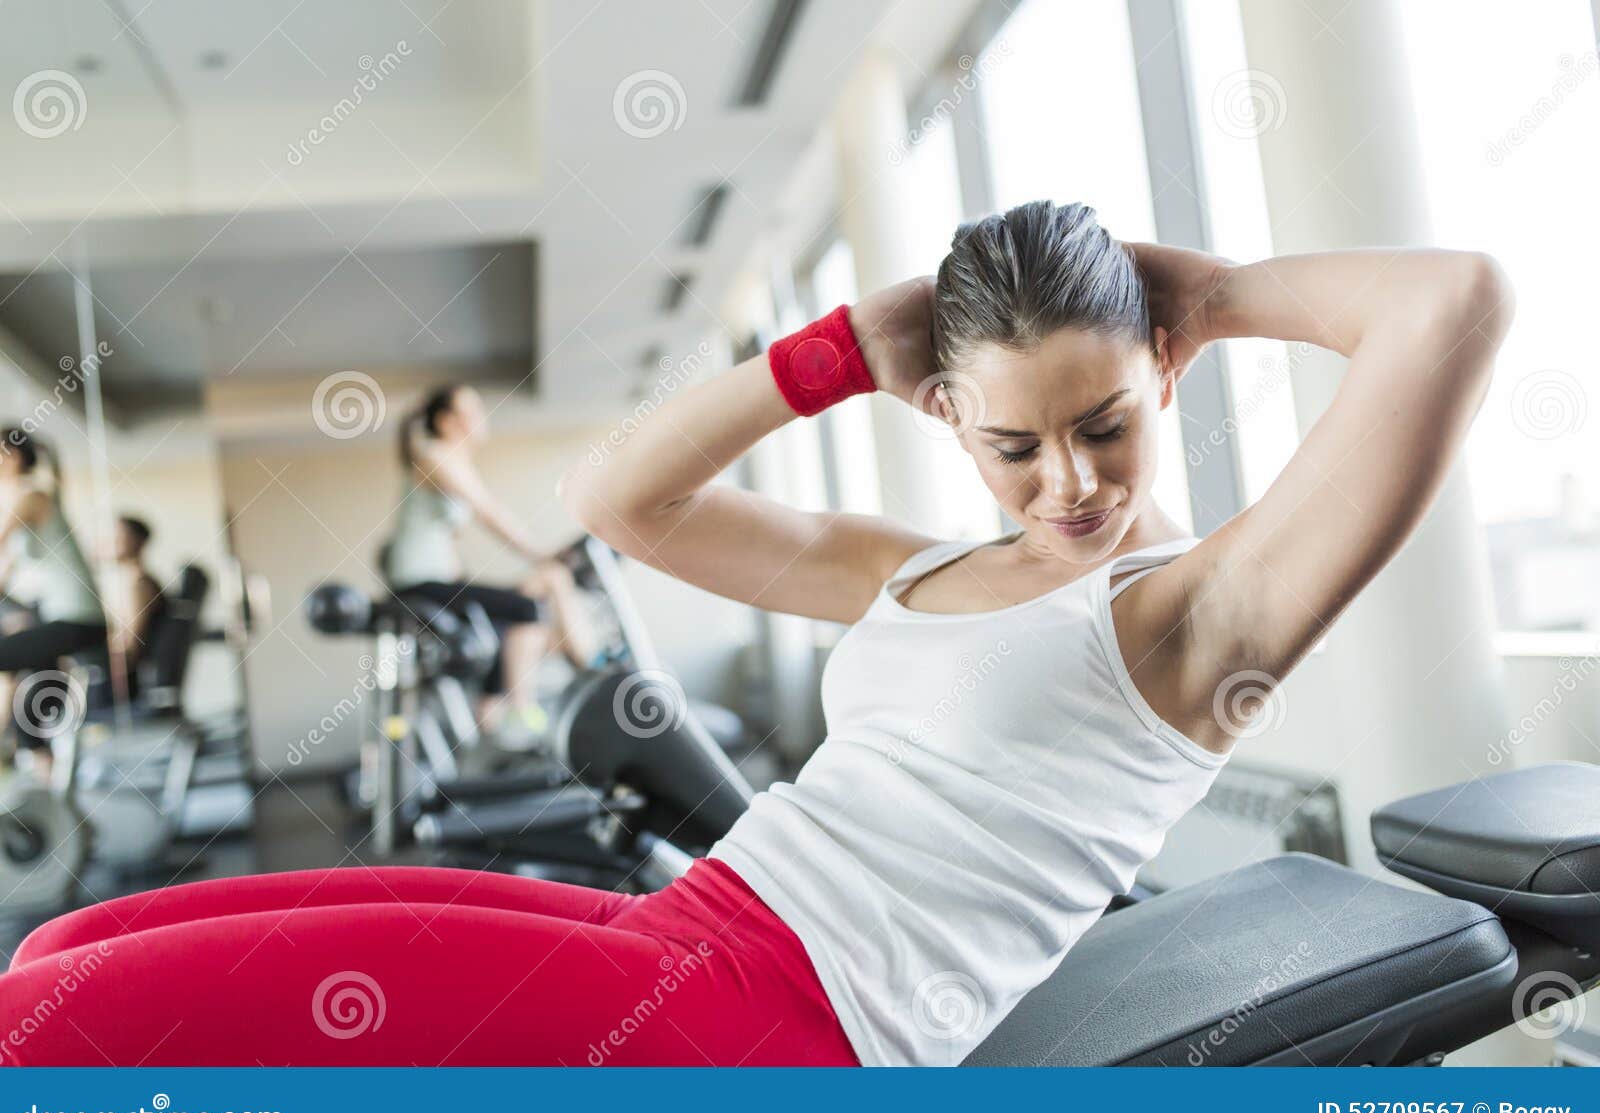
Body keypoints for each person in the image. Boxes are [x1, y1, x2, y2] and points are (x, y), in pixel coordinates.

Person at [0, 202, 1513, 1066]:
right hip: (693, 927)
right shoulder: (926, 570)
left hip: (795, 1022)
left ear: (1163, 374)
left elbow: (1450, 307)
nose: (1072, 484)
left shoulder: (1197, 618)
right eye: (1017, 446)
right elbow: (620, 498)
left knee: (49, 1030)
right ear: (948, 419)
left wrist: (1196, 290)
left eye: (1107, 425)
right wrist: (838, 351)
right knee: (64, 942)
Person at [382, 383, 596, 745]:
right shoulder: (436, 456)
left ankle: (493, 710)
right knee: (526, 607)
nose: (483, 418)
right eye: (472, 410)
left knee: (536, 597)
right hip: (416, 587)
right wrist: (538, 553)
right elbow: (490, 513)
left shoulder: (451, 460)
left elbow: (446, 540)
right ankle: (527, 705)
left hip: (437, 582)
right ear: (447, 421)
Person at [0, 430, 107, 781]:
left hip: (76, 620)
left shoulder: (32, 497)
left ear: (12, 457)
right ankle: (47, 787)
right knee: (29, 698)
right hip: (60, 618)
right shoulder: (35, 497)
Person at [101, 514, 166, 702]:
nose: (109, 542)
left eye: (117, 536)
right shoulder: (134, 581)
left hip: (128, 681)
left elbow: (130, 643)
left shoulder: (139, 584)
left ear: (136, 542)